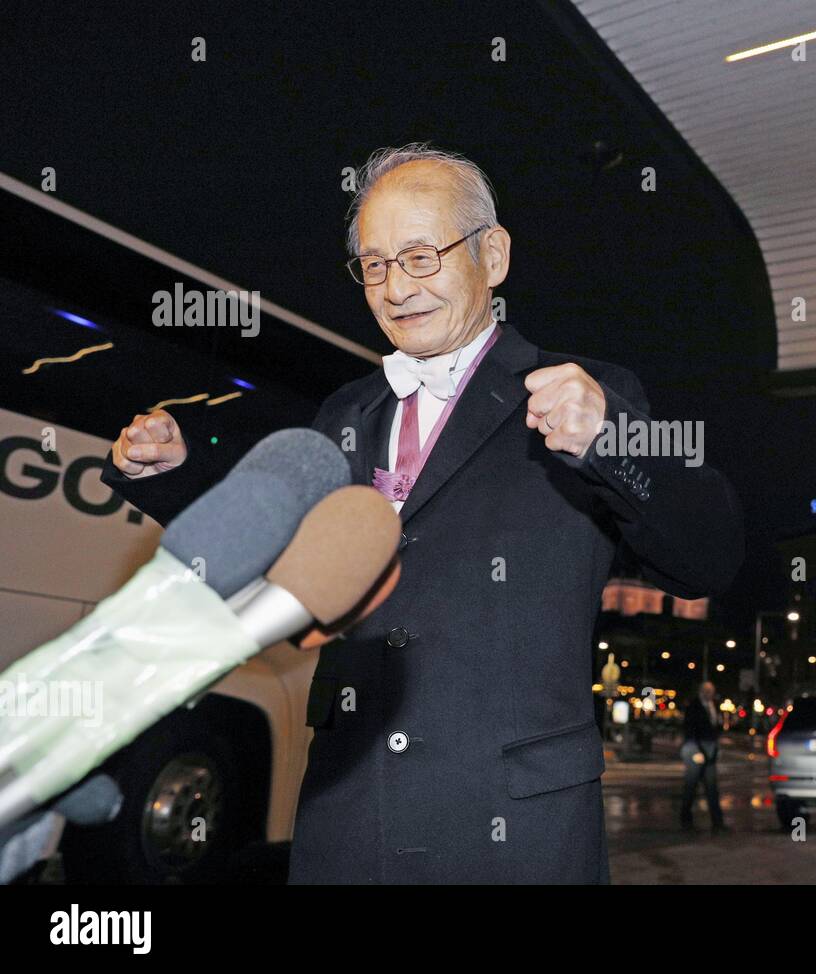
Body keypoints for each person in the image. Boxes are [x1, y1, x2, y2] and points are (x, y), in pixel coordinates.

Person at [103, 144, 744, 883]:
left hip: (514, 833)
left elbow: (708, 554)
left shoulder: (586, 393)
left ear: (492, 255)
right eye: (375, 265)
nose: (396, 287)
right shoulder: (345, 411)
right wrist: (176, 475)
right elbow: (274, 562)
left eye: (419, 256)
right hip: (347, 823)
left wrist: (612, 438)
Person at [679, 681, 726, 833]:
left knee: (712, 787)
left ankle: (717, 821)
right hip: (695, 748)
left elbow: (715, 728)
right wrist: (697, 750)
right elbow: (689, 728)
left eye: (711, 691)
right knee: (691, 785)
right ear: (701, 691)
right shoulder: (694, 706)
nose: (709, 694)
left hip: (709, 748)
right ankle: (686, 818)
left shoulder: (714, 706)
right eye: (706, 691)